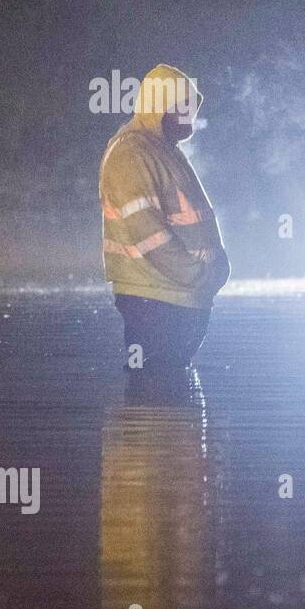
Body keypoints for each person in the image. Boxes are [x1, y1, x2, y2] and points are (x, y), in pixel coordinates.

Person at [98, 64, 230, 396]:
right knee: (154, 393)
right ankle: (150, 448)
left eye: (192, 105)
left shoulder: (163, 151)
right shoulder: (131, 152)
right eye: (181, 105)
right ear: (160, 107)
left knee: (168, 397)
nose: (190, 113)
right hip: (155, 299)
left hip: (176, 298)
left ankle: (171, 447)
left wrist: (214, 271)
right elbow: (148, 234)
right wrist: (199, 275)